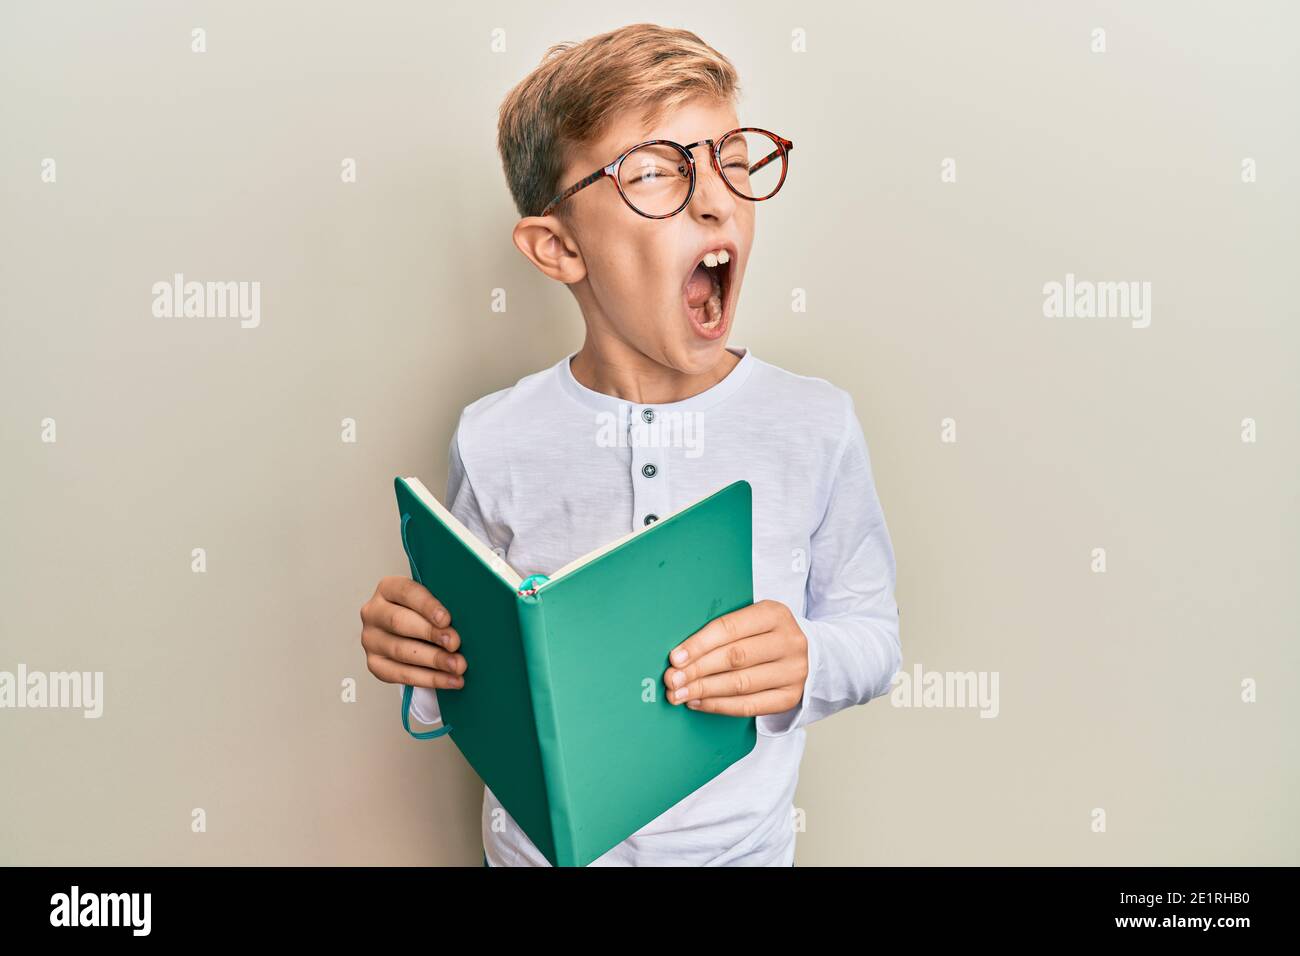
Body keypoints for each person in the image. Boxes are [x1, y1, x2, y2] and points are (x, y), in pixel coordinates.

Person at [359, 23, 900, 866]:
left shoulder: (815, 424)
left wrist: (810, 658)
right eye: (655, 171)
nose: (717, 199)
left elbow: (873, 633)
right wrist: (424, 657)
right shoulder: (494, 436)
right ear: (559, 247)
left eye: (730, 160)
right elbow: (470, 671)